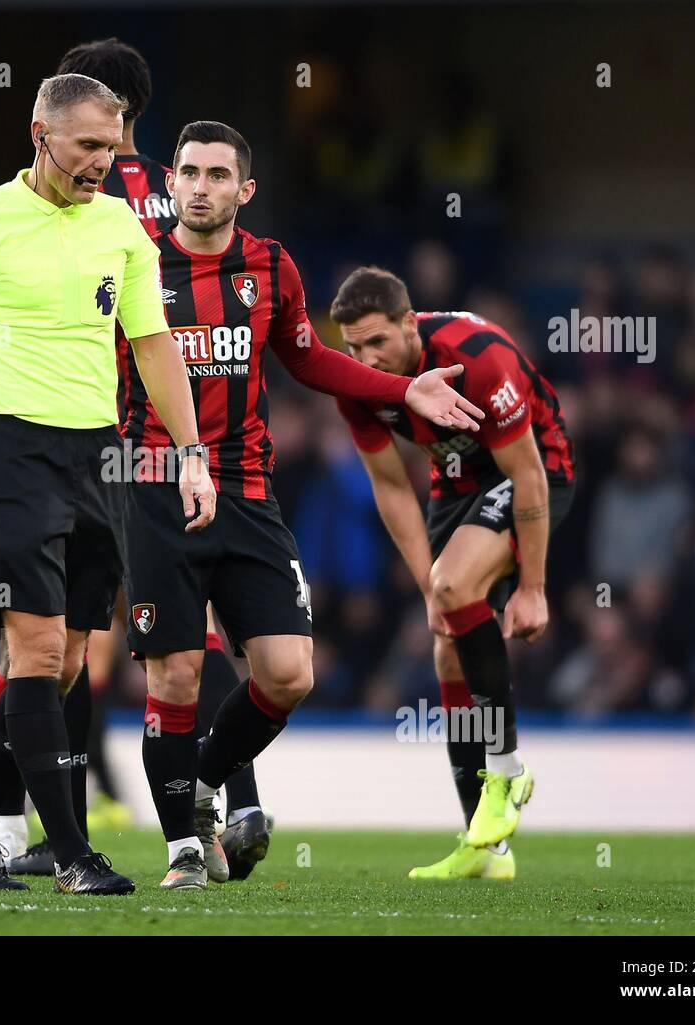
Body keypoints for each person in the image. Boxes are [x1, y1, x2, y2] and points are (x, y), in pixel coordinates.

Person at [118, 122, 485, 889]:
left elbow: (309, 357)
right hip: (154, 486)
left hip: (247, 491)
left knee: (289, 674)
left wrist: (402, 387)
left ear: (243, 191)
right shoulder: (132, 256)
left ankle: (210, 783)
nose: (201, 185)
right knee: (177, 674)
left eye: (219, 175)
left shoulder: (270, 265)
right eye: (189, 171)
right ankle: (184, 848)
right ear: (173, 181)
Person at [0, 72, 215, 895]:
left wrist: (191, 452)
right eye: (86, 146)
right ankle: (74, 853)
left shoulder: (121, 227)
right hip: (13, 453)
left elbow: (154, 347)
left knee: (70, 660)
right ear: (40, 133)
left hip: (99, 456)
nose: (102, 162)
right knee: (35, 650)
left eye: (112, 147)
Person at [331, 266, 576, 880]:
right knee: (446, 645)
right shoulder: (355, 385)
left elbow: (527, 474)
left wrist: (533, 588)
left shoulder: (479, 356)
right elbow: (390, 487)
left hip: (533, 472)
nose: (365, 358)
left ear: (411, 325)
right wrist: (426, 588)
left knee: (456, 585)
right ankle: (485, 848)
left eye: (377, 342)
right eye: (353, 347)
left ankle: (511, 772)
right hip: (455, 485)